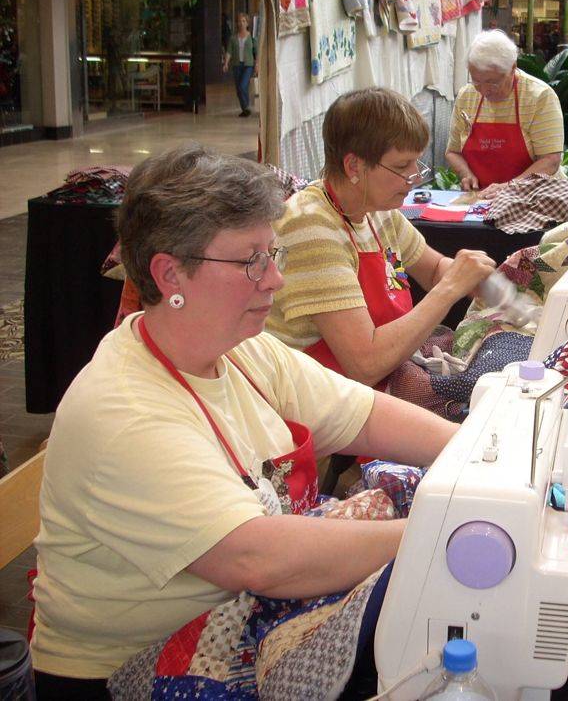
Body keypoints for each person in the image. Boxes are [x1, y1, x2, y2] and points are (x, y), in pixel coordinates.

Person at [29, 143, 458, 695]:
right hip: (130, 674)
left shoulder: (238, 349)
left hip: (232, 620)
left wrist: (479, 449)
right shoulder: (126, 412)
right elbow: (259, 558)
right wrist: (442, 532)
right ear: (170, 274)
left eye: (273, 254)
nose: (275, 279)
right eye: (252, 260)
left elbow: (364, 416)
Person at [266, 88, 495, 386]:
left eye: (417, 162)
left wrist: (482, 281)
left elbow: (434, 270)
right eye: (402, 166)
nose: (416, 177)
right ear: (354, 166)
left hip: (372, 381)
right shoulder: (309, 227)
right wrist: (451, 288)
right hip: (318, 396)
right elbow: (366, 364)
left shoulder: (377, 212)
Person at [446, 30, 564, 193]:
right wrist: (466, 174)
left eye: (492, 83)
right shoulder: (467, 96)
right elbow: (453, 152)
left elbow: (550, 160)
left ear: (512, 68)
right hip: (482, 198)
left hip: (535, 198)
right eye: (477, 82)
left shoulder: (539, 96)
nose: (485, 90)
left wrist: (510, 188)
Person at [222, 12, 257, 117]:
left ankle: (246, 106)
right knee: (239, 89)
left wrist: (257, 64)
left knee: (243, 86)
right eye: (239, 21)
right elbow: (229, 51)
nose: (241, 23)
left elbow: (256, 52)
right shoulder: (233, 38)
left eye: (243, 21)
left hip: (248, 65)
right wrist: (226, 63)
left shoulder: (251, 38)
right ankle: (244, 109)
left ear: (247, 23)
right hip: (237, 65)